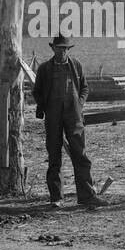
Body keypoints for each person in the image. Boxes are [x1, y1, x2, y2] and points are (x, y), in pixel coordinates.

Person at [32, 35, 107, 209]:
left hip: (74, 116)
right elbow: (37, 91)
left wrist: (79, 105)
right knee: (54, 157)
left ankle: (87, 196)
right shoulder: (44, 69)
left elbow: (85, 88)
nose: (63, 51)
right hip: (53, 117)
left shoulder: (76, 65)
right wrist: (43, 106)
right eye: (60, 48)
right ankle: (56, 198)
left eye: (66, 49)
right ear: (53, 49)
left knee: (80, 155)